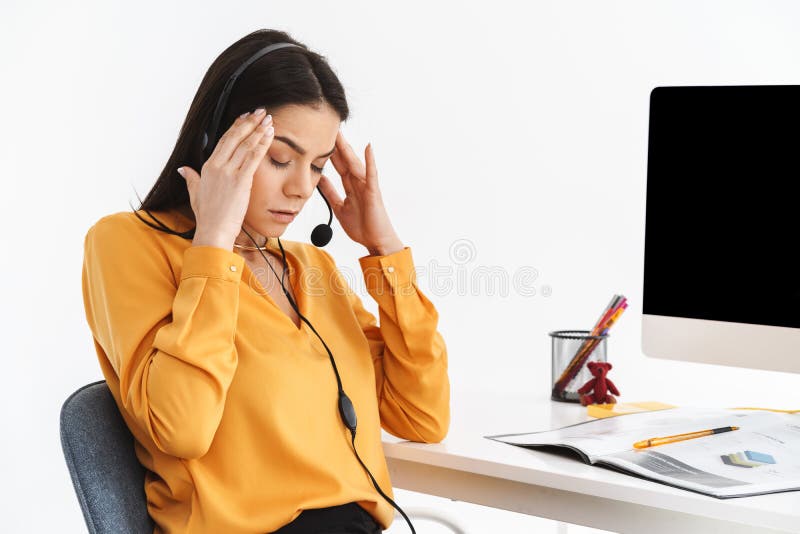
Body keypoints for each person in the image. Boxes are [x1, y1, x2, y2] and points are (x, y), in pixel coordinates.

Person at [80, 28, 450, 534]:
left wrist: (383, 249)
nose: (300, 189)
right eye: (279, 159)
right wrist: (213, 241)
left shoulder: (311, 269)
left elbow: (421, 416)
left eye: (317, 167)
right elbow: (181, 428)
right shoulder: (128, 244)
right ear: (218, 142)